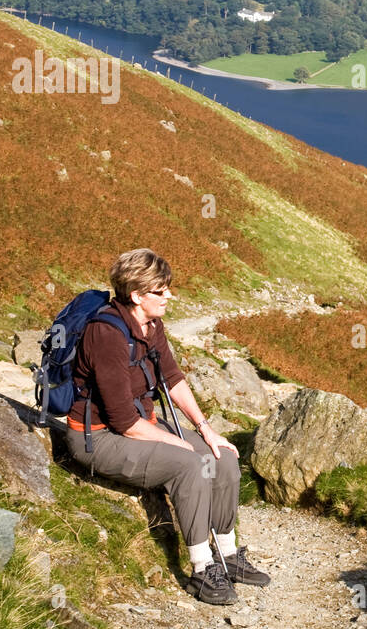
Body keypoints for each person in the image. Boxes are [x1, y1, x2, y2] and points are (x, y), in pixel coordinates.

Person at [64, 248, 269, 605]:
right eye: (161, 291)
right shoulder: (106, 335)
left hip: (142, 424)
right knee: (189, 464)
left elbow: (172, 379)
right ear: (136, 295)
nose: (169, 296)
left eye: (168, 289)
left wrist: (206, 430)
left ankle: (229, 555)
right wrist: (182, 446)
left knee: (223, 457)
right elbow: (124, 423)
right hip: (97, 437)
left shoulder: (151, 325)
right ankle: (203, 570)